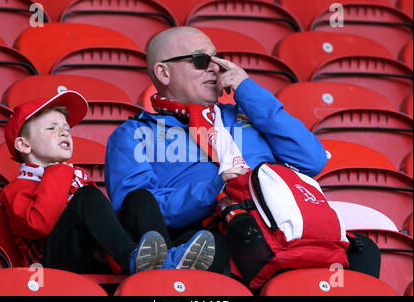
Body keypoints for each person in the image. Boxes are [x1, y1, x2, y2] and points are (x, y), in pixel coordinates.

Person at [105, 27, 380, 281]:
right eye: (201, 60)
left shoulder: (248, 112)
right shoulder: (134, 133)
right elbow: (141, 210)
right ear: (164, 73)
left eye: (218, 59)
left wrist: (247, 89)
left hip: (276, 224)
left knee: (363, 251)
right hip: (215, 232)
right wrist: (215, 188)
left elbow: (311, 159)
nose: (215, 68)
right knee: (210, 249)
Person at [0, 90, 216, 276]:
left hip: (96, 260)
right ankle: (136, 260)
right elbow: (43, 224)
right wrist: (59, 171)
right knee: (88, 197)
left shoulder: (74, 177)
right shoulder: (16, 190)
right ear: (23, 144)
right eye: (51, 128)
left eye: (66, 127)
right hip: (51, 269)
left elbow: (101, 225)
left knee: (140, 197)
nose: (64, 131)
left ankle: (165, 265)